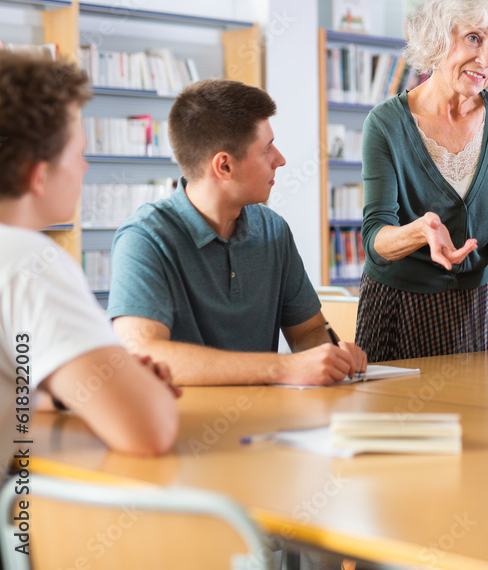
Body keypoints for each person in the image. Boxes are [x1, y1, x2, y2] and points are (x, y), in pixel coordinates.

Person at [108, 79, 366, 386]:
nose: (280, 160)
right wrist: (283, 369)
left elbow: (308, 331)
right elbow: (142, 354)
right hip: (185, 426)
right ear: (225, 167)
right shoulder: (145, 239)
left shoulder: (273, 230)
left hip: (266, 423)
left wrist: (330, 356)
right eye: (267, 149)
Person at [356, 0, 488, 360]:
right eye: (473, 38)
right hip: (401, 309)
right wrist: (419, 231)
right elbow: (375, 238)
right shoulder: (385, 124)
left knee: (483, 418)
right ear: (437, 38)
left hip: (478, 309)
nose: (487, 60)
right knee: (406, 420)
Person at [0, 51, 178, 463]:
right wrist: (140, 392)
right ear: (37, 174)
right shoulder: (27, 260)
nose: (84, 169)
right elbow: (150, 430)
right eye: (77, 153)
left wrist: (93, 385)